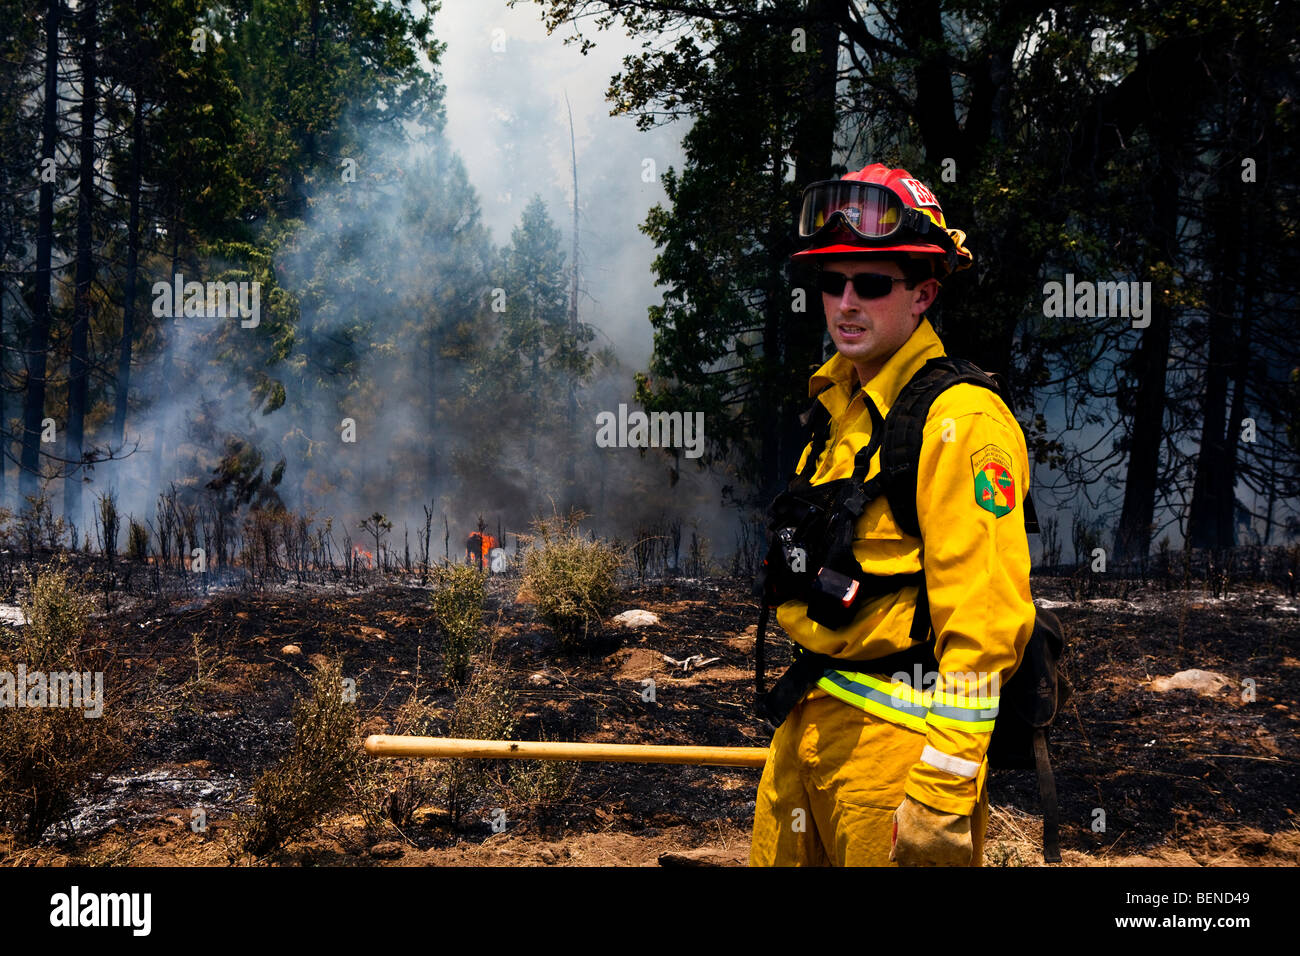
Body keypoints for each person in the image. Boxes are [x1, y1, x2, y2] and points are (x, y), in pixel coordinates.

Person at [748, 163, 1037, 866]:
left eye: (872, 284)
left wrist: (942, 789)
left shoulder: (960, 422)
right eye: (831, 283)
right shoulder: (840, 405)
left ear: (922, 295)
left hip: (896, 753)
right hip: (807, 726)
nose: (846, 303)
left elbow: (987, 623)